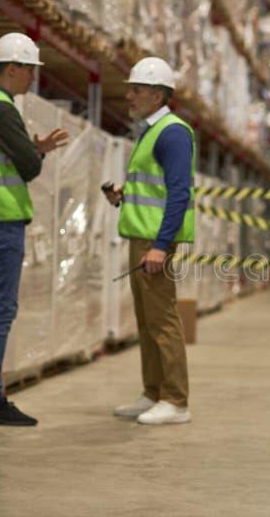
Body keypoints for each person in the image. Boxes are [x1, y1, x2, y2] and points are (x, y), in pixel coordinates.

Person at [0, 32, 69, 426]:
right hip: (0, 218)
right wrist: (33, 153)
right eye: (30, 70)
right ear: (12, 68)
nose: (33, 79)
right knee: (0, 310)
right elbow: (28, 167)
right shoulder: (0, 109)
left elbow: (17, 156)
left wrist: (32, 147)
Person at [102, 57, 195, 425]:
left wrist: (160, 245)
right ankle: (153, 392)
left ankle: (176, 400)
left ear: (157, 95)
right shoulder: (152, 131)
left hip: (155, 241)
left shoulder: (172, 132)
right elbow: (153, 188)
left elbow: (178, 193)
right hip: (141, 237)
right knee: (146, 319)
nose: (129, 95)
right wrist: (124, 193)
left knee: (162, 319)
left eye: (136, 90)